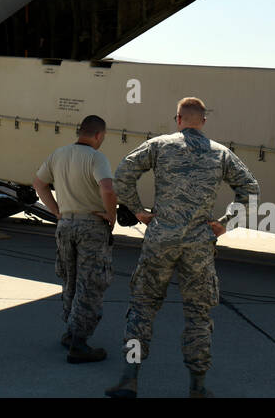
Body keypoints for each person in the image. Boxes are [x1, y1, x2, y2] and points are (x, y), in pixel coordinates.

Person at [105, 96, 259, 398]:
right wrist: (225, 221)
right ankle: (198, 386)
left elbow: (123, 174)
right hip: (199, 243)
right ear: (203, 121)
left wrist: (138, 210)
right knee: (198, 314)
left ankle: (129, 379)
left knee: (143, 307)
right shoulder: (221, 153)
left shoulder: (160, 145)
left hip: (160, 237)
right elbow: (250, 190)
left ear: (178, 119)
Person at [33, 114, 118, 364]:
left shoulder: (58, 154)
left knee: (70, 279)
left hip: (66, 225)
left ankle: (70, 332)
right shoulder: (96, 157)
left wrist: (57, 211)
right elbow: (107, 188)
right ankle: (79, 344)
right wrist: (111, 215)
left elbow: (39, 184)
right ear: (99, 135)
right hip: (91, 226)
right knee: (90, 283)